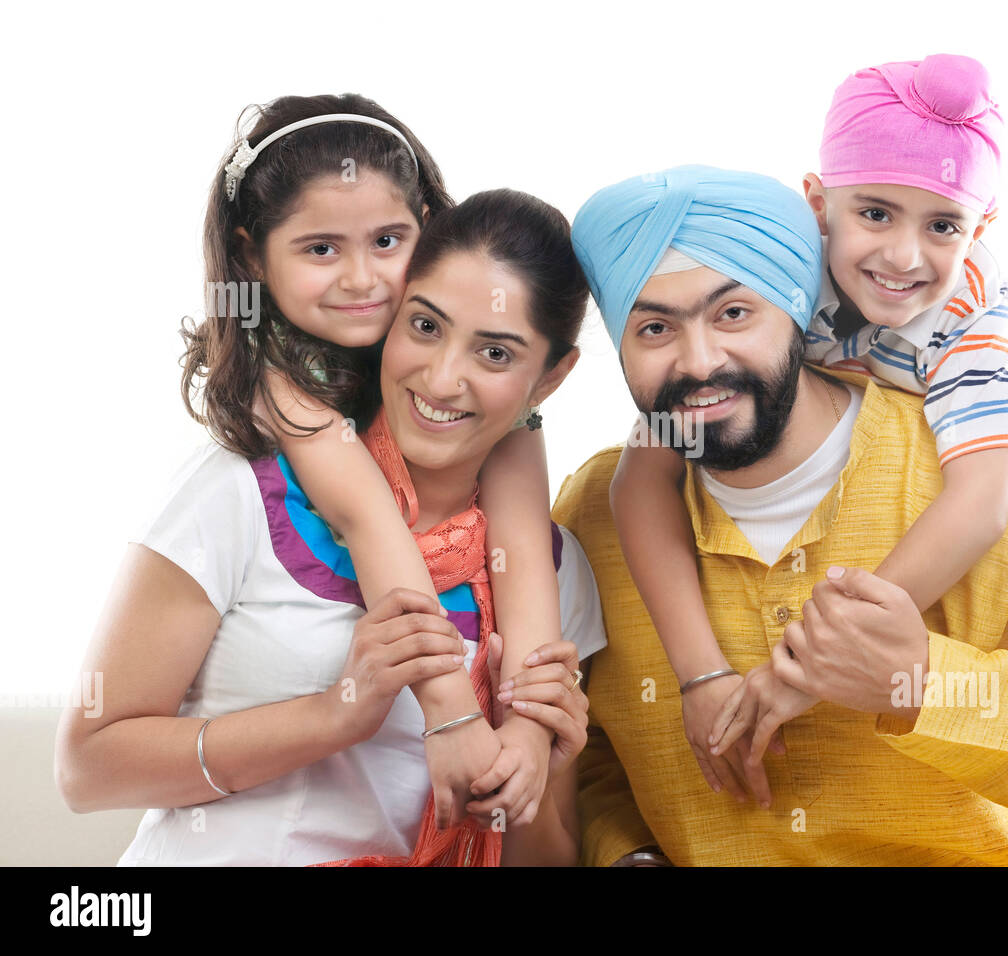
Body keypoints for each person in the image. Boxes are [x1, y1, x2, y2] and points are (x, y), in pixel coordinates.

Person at [555, 164, 1008, 865]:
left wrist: (925, 684)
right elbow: (591, 747)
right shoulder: (593, 513)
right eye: (654, 327)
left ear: (796, 310)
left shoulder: (999, 488)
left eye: (733, 314)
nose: (700, 362)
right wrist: (626, 852)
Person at [54, 187, 602, 867]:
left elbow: (541, 860)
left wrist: (539, 774)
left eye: (495, 355)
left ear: (551, 378)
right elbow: (87, 768)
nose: (441, 378)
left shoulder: (552, 579)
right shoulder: (242, 491)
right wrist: (334, 715)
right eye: (425, 326)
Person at [606, 55, 1008, 796]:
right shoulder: (774, 282)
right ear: (818, 204)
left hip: (948, 520)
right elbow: (643, 475)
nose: (903, 256)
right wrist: (701, 673)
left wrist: (806, 665)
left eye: (943, 225)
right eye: (874, 213)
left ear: (982, 227)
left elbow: (981, 506)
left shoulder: (976, 317)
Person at [178, 94, 566, 825]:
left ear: (428, 223)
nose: (362, 280)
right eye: (321, 249)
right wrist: (450, 715)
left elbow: (522, 547)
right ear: (253, 257)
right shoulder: (282, 378)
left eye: (388, 241)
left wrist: (530, 724)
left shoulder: (485, 363)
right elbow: (366, 518)